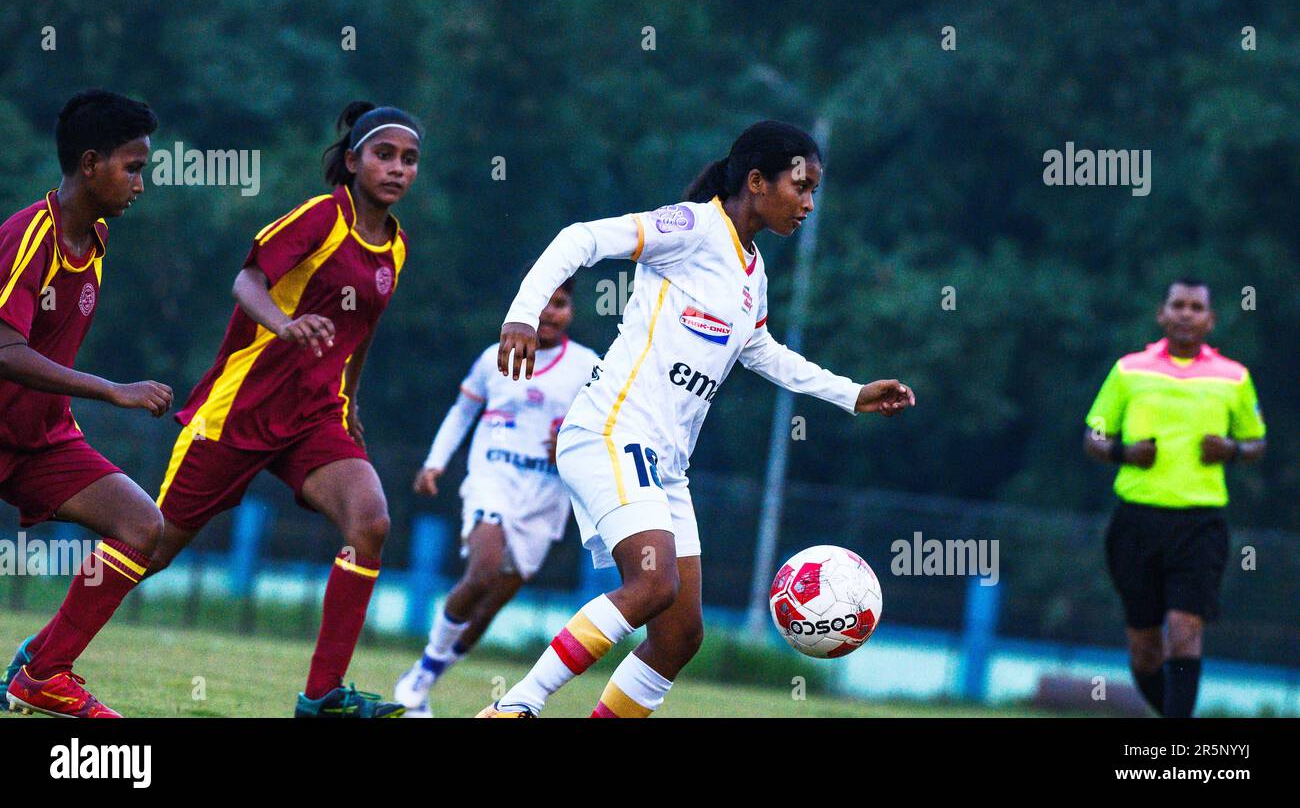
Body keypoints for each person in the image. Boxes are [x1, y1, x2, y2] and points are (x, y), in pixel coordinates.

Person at [477, 120, 915, 718]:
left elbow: (760, 351)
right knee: (653, 585)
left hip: (664, 466)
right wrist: (522, 316)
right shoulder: (691, 226)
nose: (810, 203)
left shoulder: (752, 270)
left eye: (814, 190)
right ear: (757, 182)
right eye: (802, 186)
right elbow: (579, 238)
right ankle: (514, 708)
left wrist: (850, 394)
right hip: (612, 431)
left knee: (680, 636)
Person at [145, 101, 421, 718]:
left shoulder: (396, 248)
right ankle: (39, 660)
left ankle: (321, 697)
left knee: (370, 523)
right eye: (384, 154)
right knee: (151, 545)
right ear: (352, 162)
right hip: (242, 409)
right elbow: (247, 281)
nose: (398, 168)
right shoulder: (322, 218)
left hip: (316, 416)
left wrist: (349, 396)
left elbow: (362, 335)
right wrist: (286, 325)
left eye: (409, 159)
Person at [2, 90, 173, 718]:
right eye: (133, 168)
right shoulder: (30, 238)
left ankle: (44, 673)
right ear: (91, 163)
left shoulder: (96, 240)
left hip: (39, 439)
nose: (140, 183)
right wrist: (111, 390)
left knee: (141, 527)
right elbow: (4, 349)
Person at [394, 276, 599, 716]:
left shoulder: (588, 367)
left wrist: (572, 441)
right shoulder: (495, 357)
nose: (549, 313)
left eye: (560, 304)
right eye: (543, 302)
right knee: (483, 570)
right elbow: (462, 411)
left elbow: (608, 425)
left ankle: (426, 676)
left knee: (491, 605)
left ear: (572, 311)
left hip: (546, 495)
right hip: (493, 478)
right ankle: (422, 675)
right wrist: (435, 462)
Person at [1084, 279, 1266, 718]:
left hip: (1200, 524)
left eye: (1196, 307)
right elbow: (1094, 435)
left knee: (1186, 630)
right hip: (1136, 523)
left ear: (1210, 319)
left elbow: (1257, 441)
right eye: (1177, 305)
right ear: (1162, 314)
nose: (1186, 314)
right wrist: (1124, 452)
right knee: (1146, 651)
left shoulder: (1234, 377)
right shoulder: (1129, 370)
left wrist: (1233, 450)